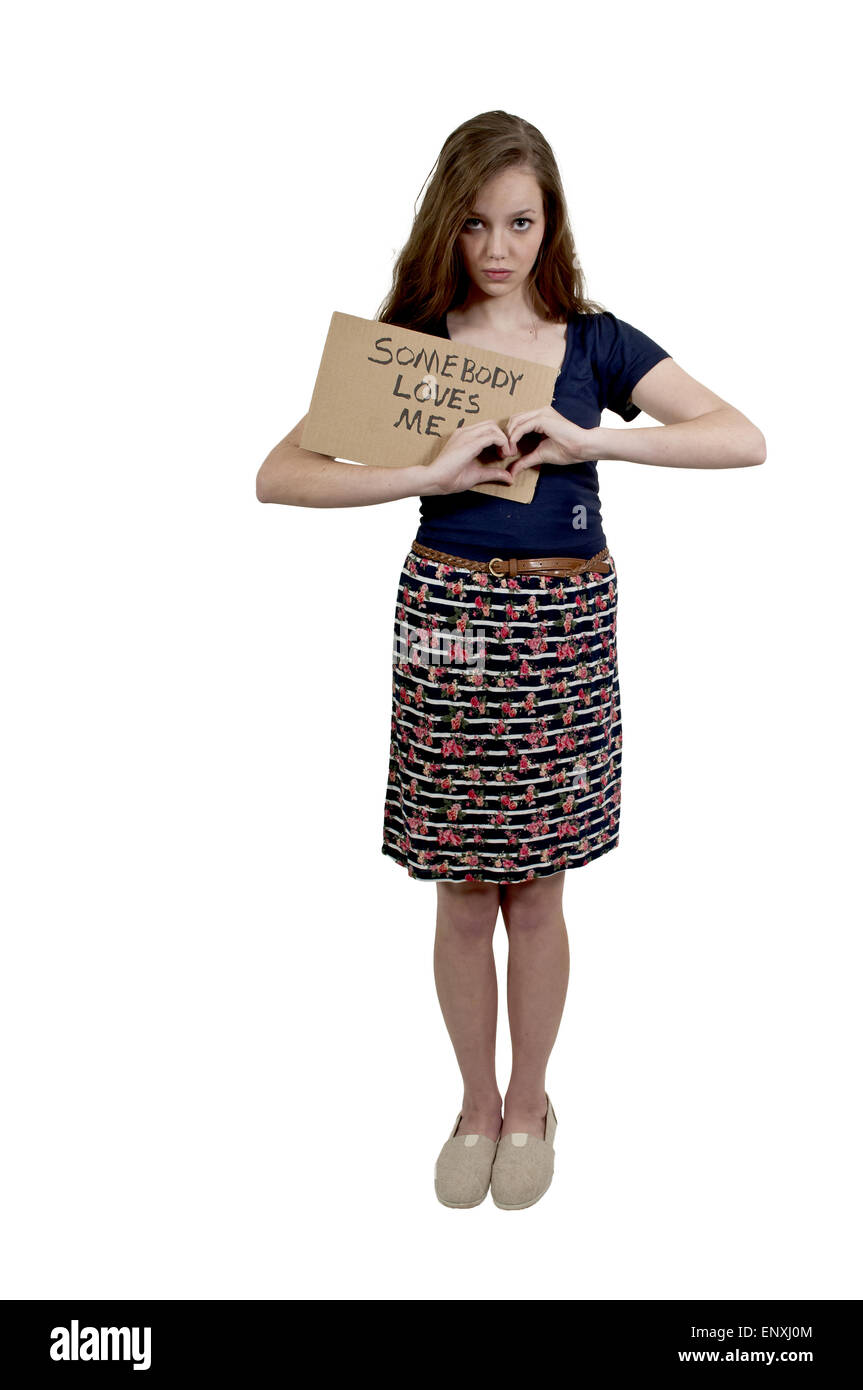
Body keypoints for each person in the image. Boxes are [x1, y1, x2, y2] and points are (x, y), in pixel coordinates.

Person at [256, 111, 766, 1212]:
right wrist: (418, 471)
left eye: (521, 221)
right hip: (446, 618)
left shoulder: (594, 342)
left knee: (536, 887)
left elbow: (740, 435)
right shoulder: (415, 344)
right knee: (458, 887)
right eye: (479, 221)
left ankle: (530, 1101)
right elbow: (278, 472)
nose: (498, 246)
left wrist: (595, 440)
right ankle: (471, 1103)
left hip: (566, 627)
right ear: (449, 221)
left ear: (550, 223)